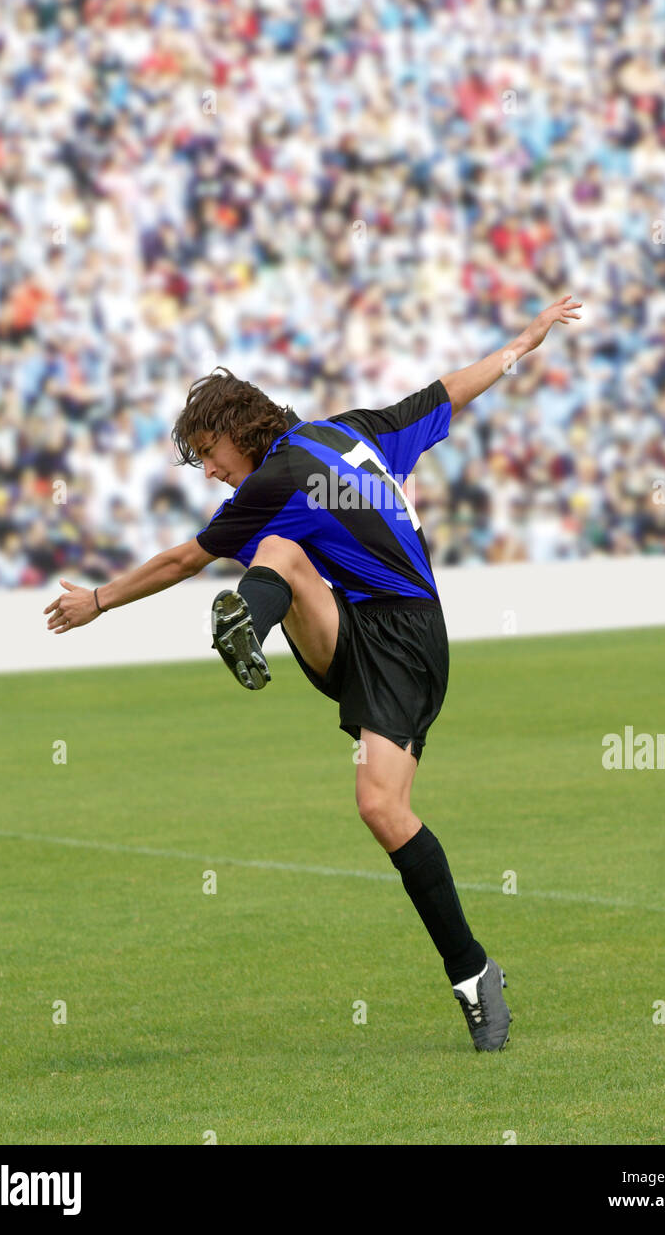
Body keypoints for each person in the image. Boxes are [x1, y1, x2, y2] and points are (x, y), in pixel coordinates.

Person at [44, 294, 582, 1050]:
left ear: (238, 431)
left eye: (208, 452)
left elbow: (180, 559)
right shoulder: (353, 431)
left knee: (381, 808)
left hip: (399, 640)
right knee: (284, 556)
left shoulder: (275, 482)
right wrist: (522, 342)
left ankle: (472, 974)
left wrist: (98, 600)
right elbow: (447, 391)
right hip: (371, 628)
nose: (207, 470)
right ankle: (247, 627)